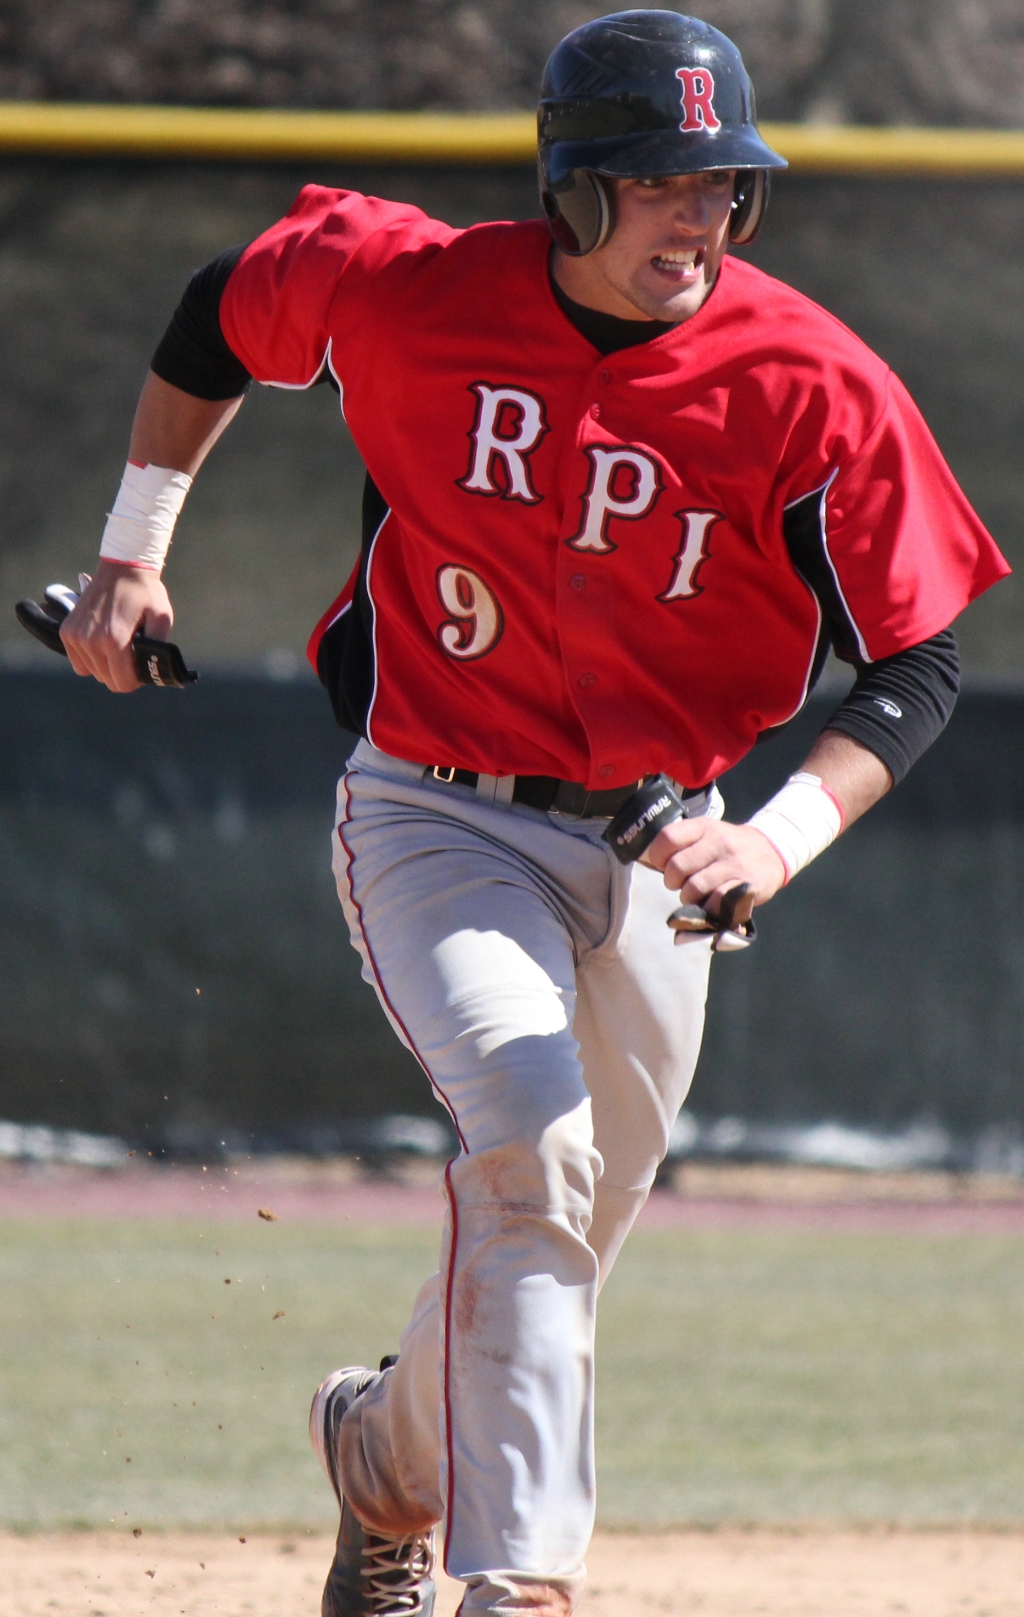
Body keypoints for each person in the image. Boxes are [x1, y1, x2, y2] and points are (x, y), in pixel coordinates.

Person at [61, 11, 1008, 1614]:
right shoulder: (410, 289)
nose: (698, 215)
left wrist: (770, 839)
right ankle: (524, 1585)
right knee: (532, 1151)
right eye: (657, 180)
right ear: (572, 192)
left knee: (562, 1218)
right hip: (438, 811)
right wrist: (134, 550)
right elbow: (217, 313)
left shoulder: (808, 378)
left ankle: (386, 1457)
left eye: (723, 183)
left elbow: (920, 661)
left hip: (663, 852)